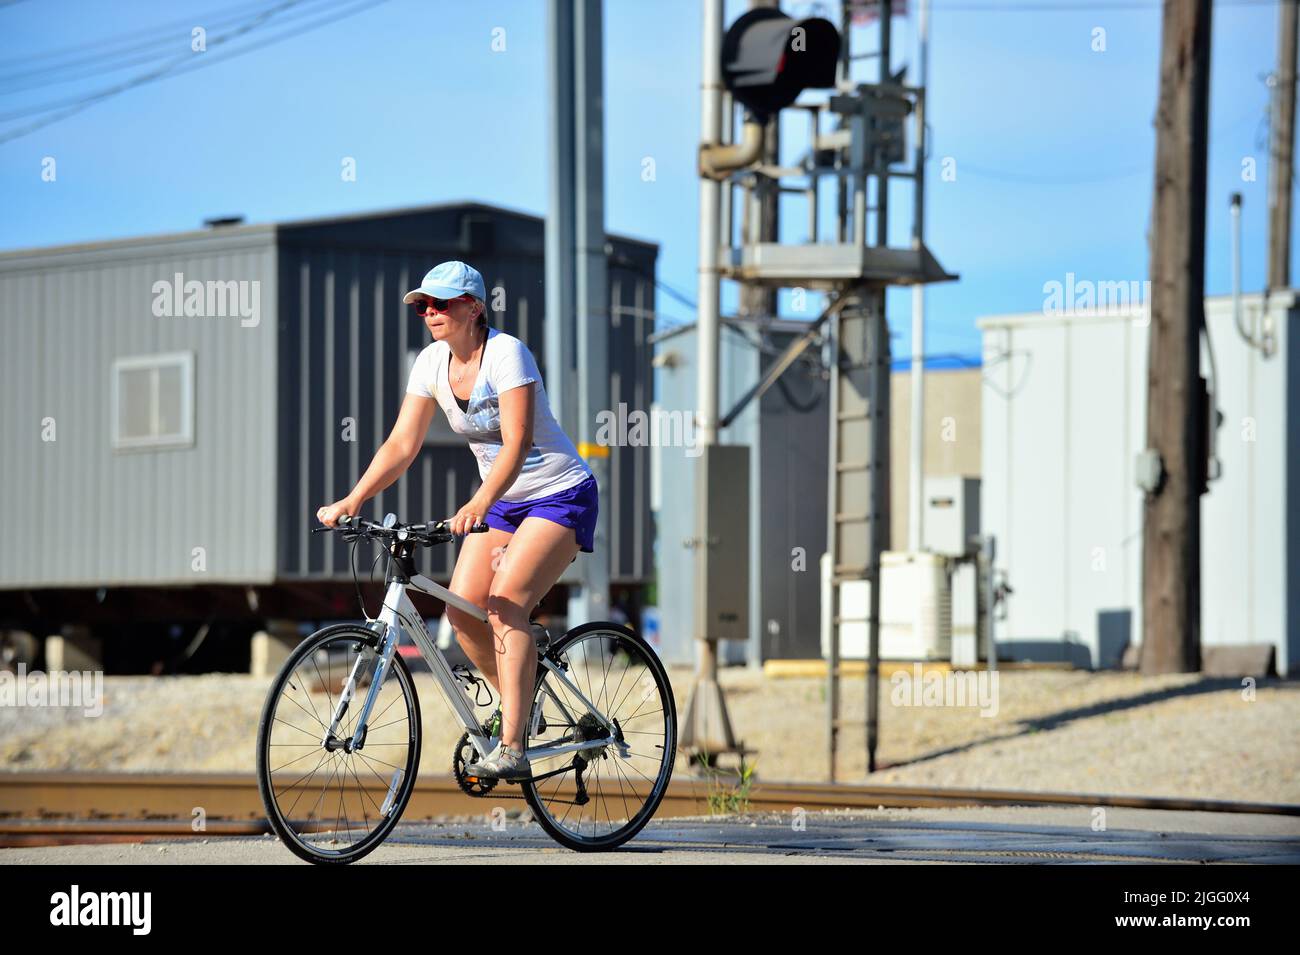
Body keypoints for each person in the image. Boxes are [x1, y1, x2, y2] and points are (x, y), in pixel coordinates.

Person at [316, 261, 599, 781]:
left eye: (440, 304)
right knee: (464, 614)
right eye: (423, 305)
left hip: (559, 494)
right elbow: (403, 444)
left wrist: (477, 505)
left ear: (473, 307)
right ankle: (523, 698)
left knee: (504, 604)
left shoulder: (507, 354)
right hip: (505, 503)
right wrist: (353, 499)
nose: (429, 314)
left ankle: (511, 743)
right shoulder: (430, 364)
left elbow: (517, 442)